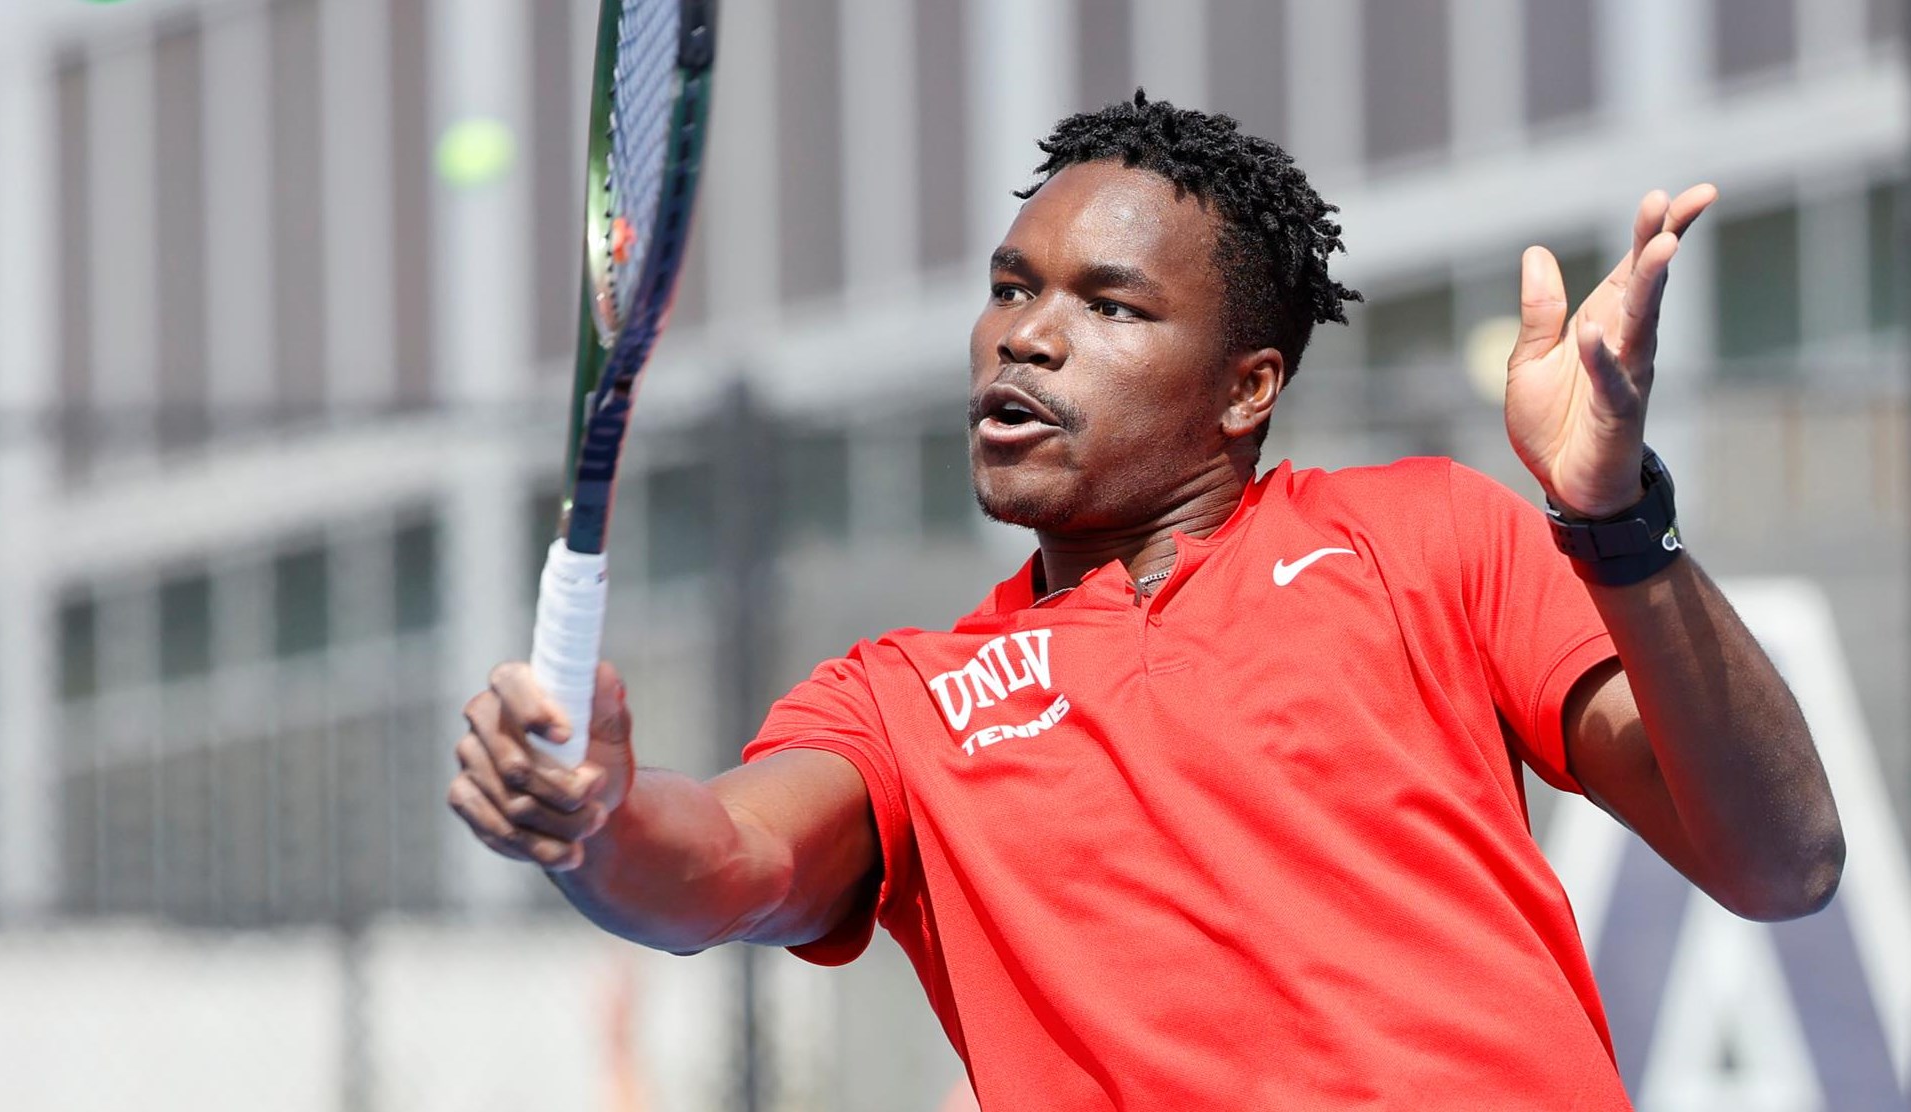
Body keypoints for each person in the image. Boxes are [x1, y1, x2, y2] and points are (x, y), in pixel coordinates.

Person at [447, 93, 1843, 1109]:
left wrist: (1613, 524)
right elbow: (724, 869)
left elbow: (1780, 863)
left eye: (1109, 308)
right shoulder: (902, 700)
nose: (1027, 334)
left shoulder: (1424, 536)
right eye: (1010, 289)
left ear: (1248, 389)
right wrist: (595, 819)